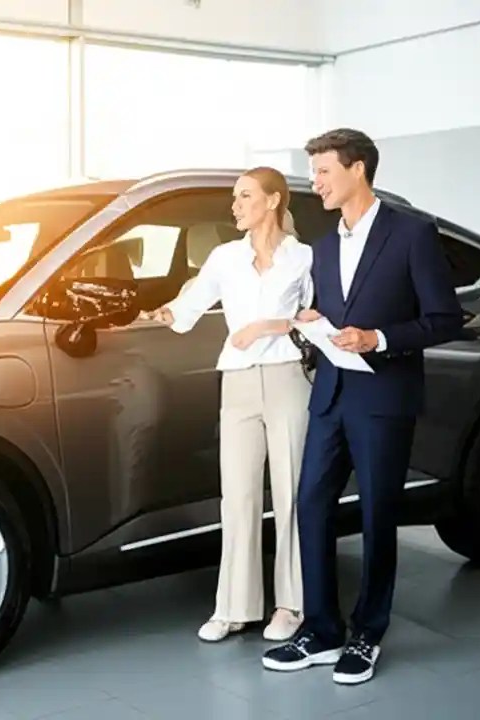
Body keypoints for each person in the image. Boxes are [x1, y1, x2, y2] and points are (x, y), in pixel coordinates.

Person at [261, 128, 462, 684]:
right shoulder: (325, 247)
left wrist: (380, 338)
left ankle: (367, 633)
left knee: (377, 516)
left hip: (383, 399)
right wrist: (312, 327)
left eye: (324, 171)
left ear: (358, 170)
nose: (316, 182)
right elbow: (330, 315)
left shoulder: (412, 235)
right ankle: (322, 631)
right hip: (330, 395)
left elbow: (444, 319)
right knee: (311, 508)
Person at [148, 167, 313, 644]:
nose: (235, 206)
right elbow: (190, 303)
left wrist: (266, 326)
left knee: (292, 494)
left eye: (244, 196)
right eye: (235, 197)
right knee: (237, 496)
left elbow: (314, 319)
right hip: (237, 382)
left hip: (288, 378)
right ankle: (234, 607)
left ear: (273, 200)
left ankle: (291, 604)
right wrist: (164, 313)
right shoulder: (224, 257)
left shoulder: (302, 258)